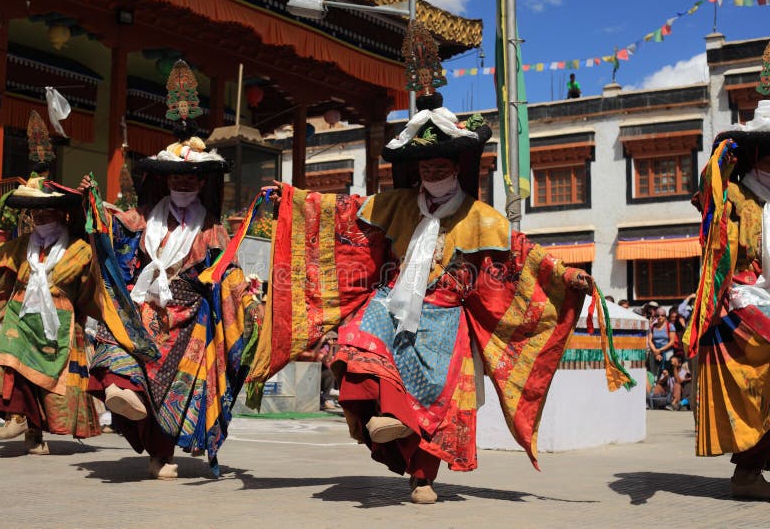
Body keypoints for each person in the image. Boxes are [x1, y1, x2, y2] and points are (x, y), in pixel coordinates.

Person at [237, 26, 628, 505]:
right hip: (394, 300)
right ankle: (378, 418)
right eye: (425, 168)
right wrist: (292, 201)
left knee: (440, 396)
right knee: (356, 334)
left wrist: (569, 276)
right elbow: (342, 213)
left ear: (458, 167)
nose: (432, 174)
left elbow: (524, 256)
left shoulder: (482, 217)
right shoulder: (398, 205)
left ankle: (421, 476)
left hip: (445, 313)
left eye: (440, 166)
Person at [84, 60, 242, 479]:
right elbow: (112, 228)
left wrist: (246, 295)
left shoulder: (213, 229)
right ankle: (120, 390)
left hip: (187, 318)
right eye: (176, 181)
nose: (183, 187)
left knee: (172, 388)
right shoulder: (141, 217)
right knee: (117, 340)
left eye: (190, 181)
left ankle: (161, 455)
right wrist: (92, 204)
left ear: (203, 184)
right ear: (165, 183)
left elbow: (229, 272)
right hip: (143, 305)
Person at [0, 171, 104, 454]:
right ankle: (16, 417)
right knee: (8, 356)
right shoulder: (22, 245)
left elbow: (87, 283)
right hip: (20, 312)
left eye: (47, 215)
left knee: (45, 382)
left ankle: (35, 432)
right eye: (36, 215)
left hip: (58, 320)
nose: (40, 220)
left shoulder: (78, 248)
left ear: (62, 216)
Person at [686, 96, 770, 499]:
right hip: (743, 301)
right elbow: (707, 198)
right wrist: (720, 165)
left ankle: (751, 471)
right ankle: (748, 472)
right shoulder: (735, 196)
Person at [648, 308, 676, 375]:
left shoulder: (670, 326)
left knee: (666, 373)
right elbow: (649, 341)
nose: (660, 317)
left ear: (665, 316)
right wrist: (655, 352)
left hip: (667, 353)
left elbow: (672, 342)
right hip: (654, 352)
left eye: (662, 315)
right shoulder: (652, 327)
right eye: (658, 315)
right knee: (654, 373)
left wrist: (660, 350)